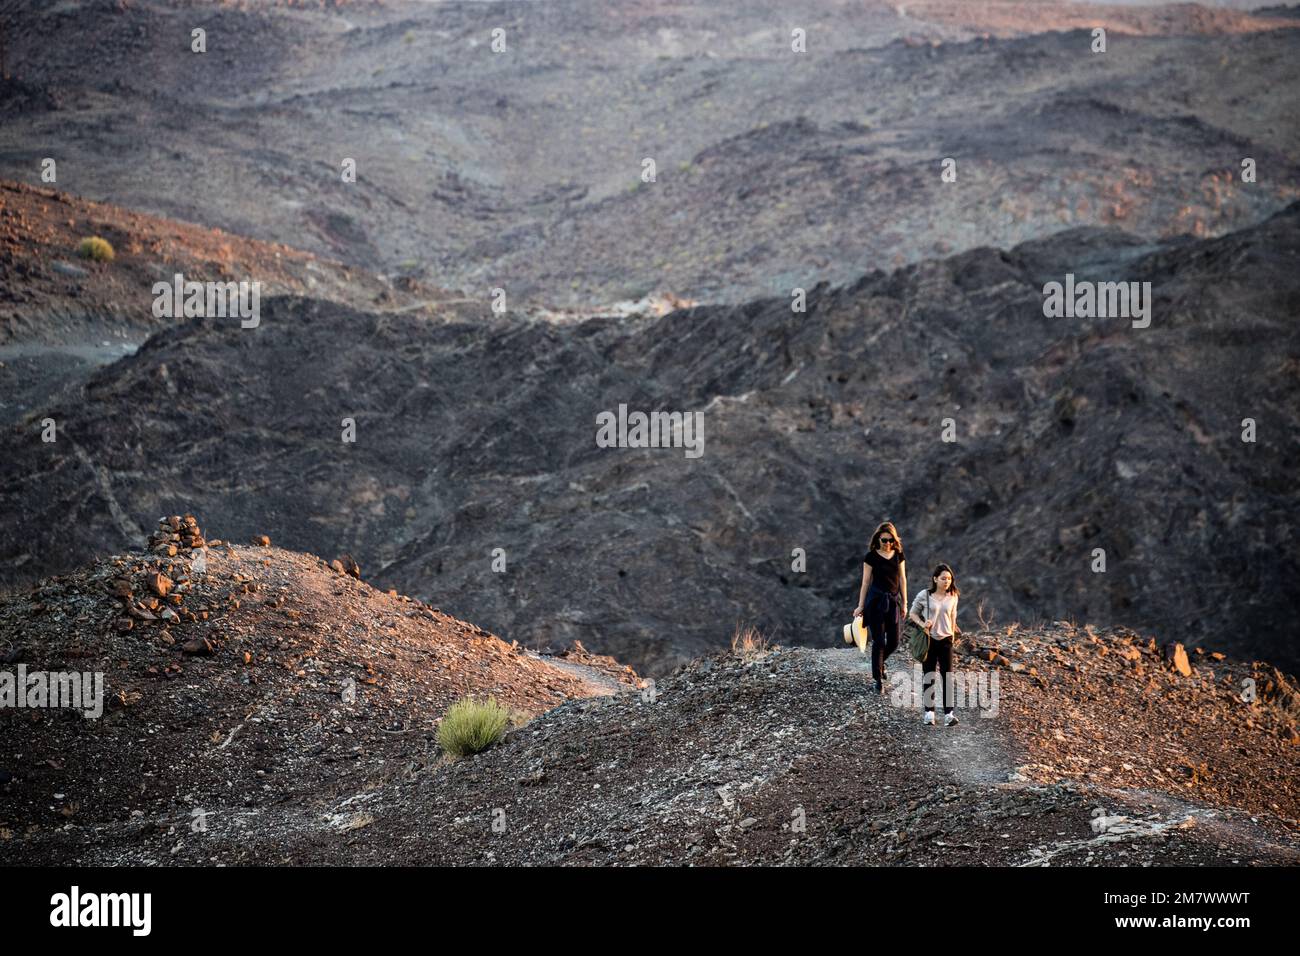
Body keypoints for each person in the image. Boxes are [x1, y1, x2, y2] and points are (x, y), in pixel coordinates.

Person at [853, 521, 908, 694]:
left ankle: (881, 662)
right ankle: (878, 679)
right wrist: (860, 605)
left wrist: (905, 603)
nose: (887, 544)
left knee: (894, 641)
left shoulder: (898, 555)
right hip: (875, 602)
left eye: (891, 540)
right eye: (884, 540)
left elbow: (903, 579)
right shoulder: (871, 557)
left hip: (893, 602)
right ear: (878, 539)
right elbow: (865, 582)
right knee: (878, 641)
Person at [908, 563, 960, 726]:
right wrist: (923, 624)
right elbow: (913, 613)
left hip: (946, 641)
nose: (947, 581)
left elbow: (953, 617)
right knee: (928, 676)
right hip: (929, 639)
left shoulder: (953, 596)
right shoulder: (925, 595)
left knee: (948, 677)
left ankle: (948, 715)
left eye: (949, 579)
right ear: (935, 579)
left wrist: (952, 635)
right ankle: (929, 713)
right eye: (943, 578)